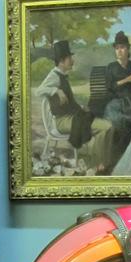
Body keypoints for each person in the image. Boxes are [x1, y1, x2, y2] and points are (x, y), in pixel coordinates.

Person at [36, 40, 114, 174]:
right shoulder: (54, 76)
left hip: (72, 116)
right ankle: (96, 165)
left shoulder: (62, 76)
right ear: (62, 60)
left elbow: (69, 102)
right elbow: (39, 91)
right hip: (62, 121)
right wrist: (56, 91)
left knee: (108, 126)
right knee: (106, 128)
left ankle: (102, 163)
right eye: (70, 58)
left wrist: (81, 107)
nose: (72, 61)